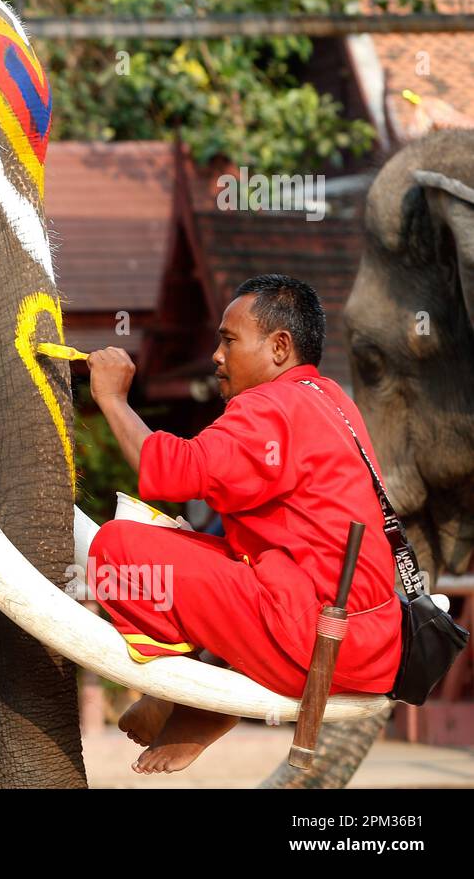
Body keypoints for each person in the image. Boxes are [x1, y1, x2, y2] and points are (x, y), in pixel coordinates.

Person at [81, 274, 401, 774]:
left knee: (117, 550)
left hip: (320, 642)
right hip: (370, 640)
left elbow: (171, 470)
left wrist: (113, 400)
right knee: (193, 545)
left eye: (229, 340)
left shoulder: (271, 406)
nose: (216, 355)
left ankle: (191, 693)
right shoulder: (331, 398)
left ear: (279, 347)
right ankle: (195, 693)